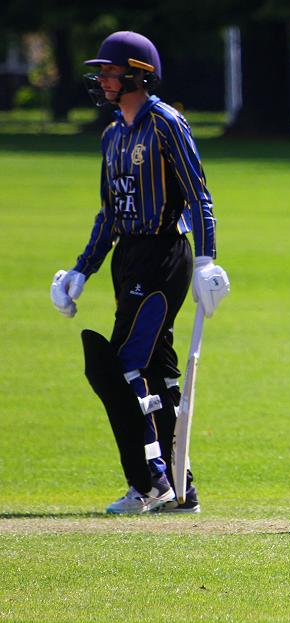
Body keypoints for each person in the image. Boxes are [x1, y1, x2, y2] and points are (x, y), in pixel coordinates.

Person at [49, 31, 230, 514]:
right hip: (128, 255)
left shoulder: (167, 123)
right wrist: (83, 270)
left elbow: (199, 196)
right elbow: (108, 212)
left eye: (110, 70)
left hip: (163, 253)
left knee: (123, 362)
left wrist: (206, 260)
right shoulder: (112, 134)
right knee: (157, 370)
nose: (103, 79)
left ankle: (150, 482)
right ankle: (179, 483)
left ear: (137, 74)